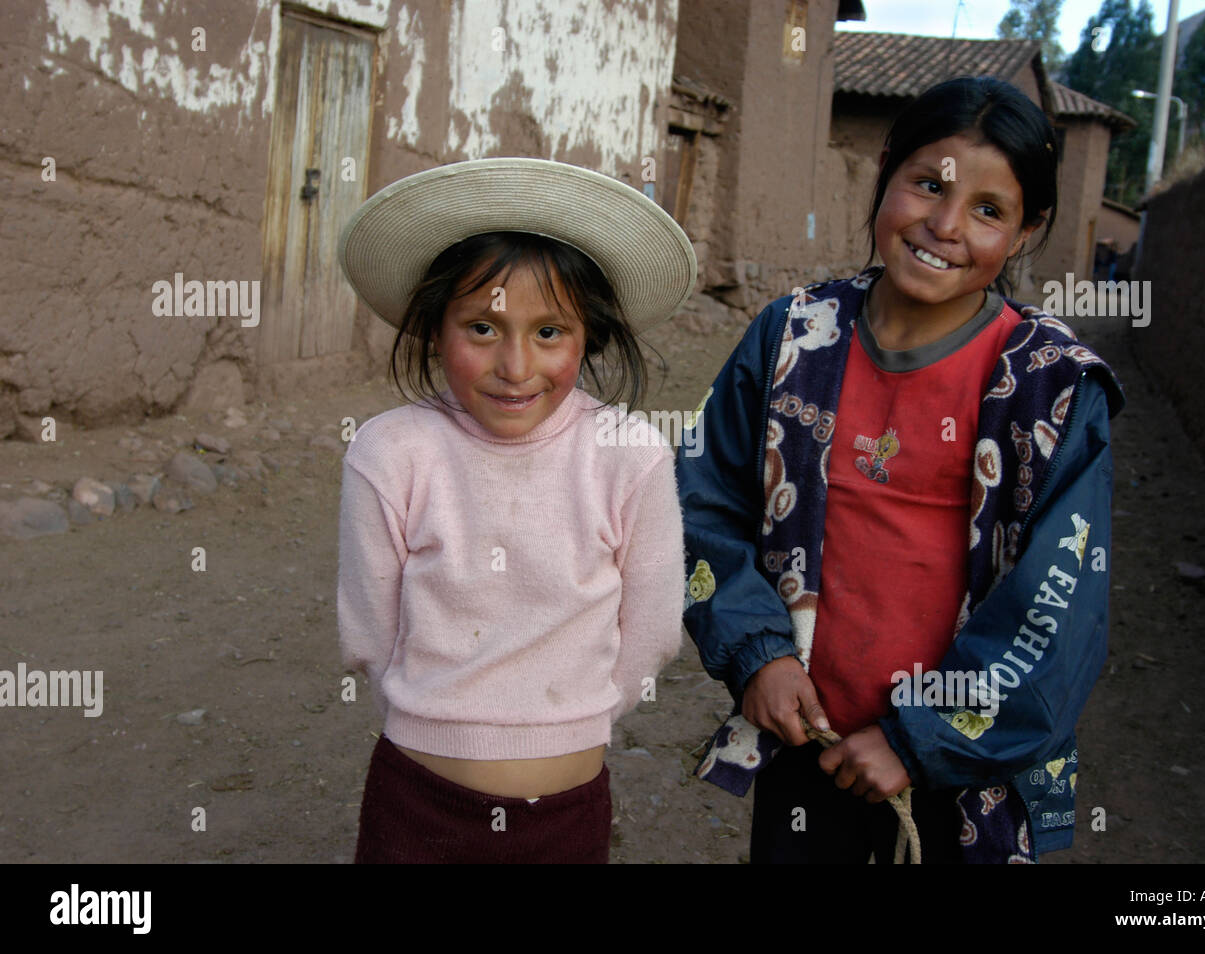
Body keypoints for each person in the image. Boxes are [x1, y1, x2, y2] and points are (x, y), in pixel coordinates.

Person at [677, 77, 1125, 863]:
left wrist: (919, 738)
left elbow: (1058, 609)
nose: (946, 225)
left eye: (990, 210)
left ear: (1027, 232)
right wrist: (759, 654)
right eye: (929, 184)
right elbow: (700, 504)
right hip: (807, 744)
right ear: (886, 171)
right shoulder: (792, 339)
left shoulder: (1052, 388)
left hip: (970, 778)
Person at [336, 157, 694, 863]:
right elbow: (370, 636)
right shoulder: (390, 452)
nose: (516, 365)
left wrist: (564, 722)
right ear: (434, 329)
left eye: (549, 332)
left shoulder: (630, 454)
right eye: (482, 328)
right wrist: (445, 723)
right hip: (417, 801)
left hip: (566, 811)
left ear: (589, 334)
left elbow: (651, 635)